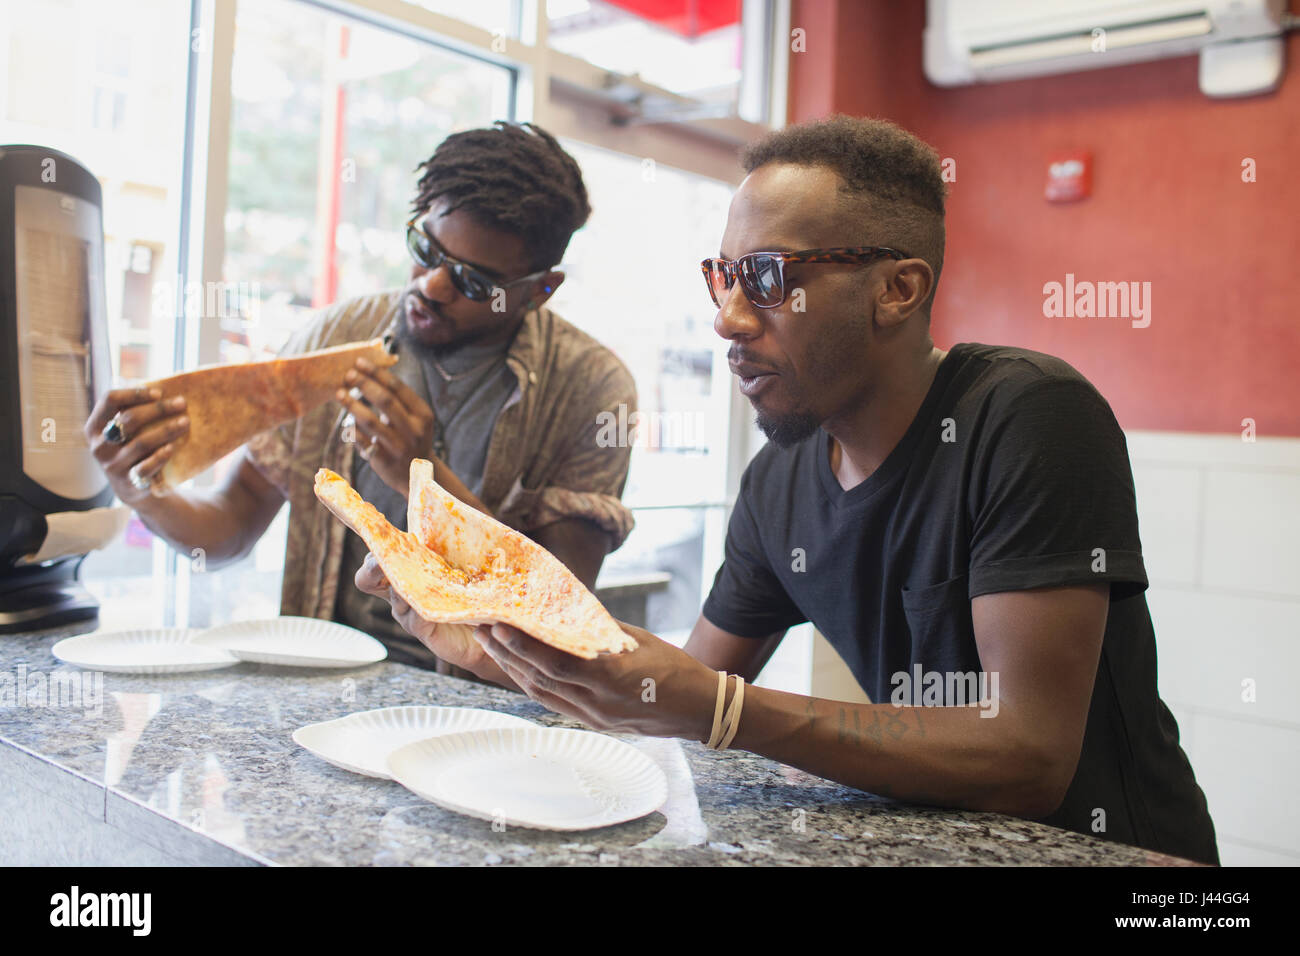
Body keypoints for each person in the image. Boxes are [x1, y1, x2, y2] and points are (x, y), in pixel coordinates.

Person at [357, 115, 1219, 864]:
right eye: (724, 277)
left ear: (898, 290)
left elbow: (1030, 755)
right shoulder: (780, 483)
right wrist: (480, 635)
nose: (729, 317)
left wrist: (724, 710)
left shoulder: (1030, 417)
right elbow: (666, 697)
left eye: (769, 278)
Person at [84, 121, 637, 672]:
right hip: (324, 685)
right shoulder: (335, 337)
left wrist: (424, 479)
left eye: (475, 283)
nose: (431, 286)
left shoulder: (592, 389)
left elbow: (558, 618)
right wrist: (138, 487)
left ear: (541, 289)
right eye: (426, 248)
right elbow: (228, 530)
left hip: (485, 713)